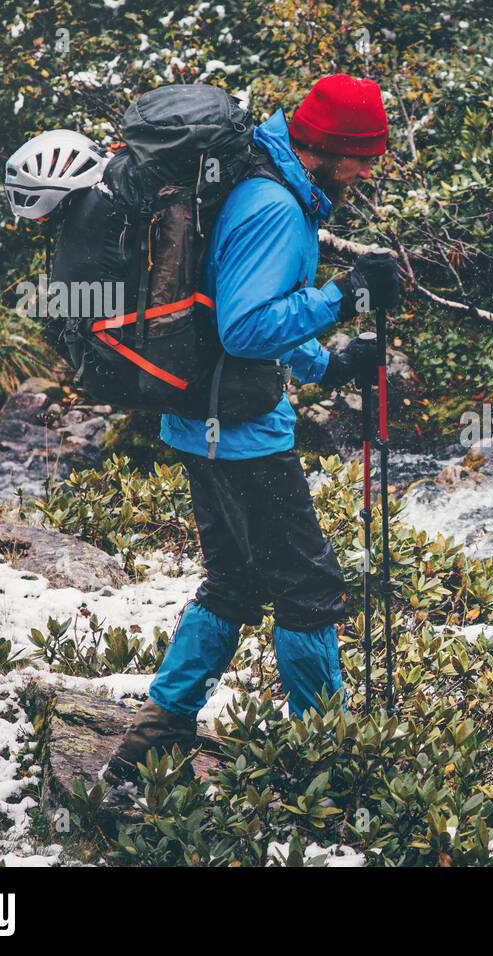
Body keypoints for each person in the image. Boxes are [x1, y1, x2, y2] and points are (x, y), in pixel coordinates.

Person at [101, 74, 402, 791]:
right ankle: (324, 759)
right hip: (237, 433)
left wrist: (323, 366)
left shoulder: (266, 181)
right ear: (326, 147)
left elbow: (248, 307)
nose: (367, 171)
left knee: (235, 583)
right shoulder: (273, 204)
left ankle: (154, 736)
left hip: (205, 423)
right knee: (308, 589)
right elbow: (243, 327)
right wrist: (344, 297)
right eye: (362, 157)